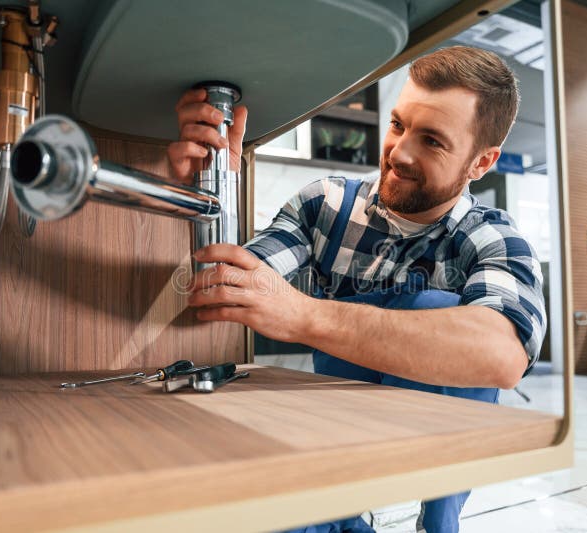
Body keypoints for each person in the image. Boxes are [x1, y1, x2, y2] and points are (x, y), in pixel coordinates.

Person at [168, 45, 546, 533]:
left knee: (440, 308)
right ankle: (341, 515)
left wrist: (306, 316)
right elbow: (233, 283)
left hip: (439, 444)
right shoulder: (323, 206)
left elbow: (501, 355)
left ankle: (437, 519)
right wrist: (211, 187)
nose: (400, 153)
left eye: (432, 141)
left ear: (481, 162)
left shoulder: (493, 237)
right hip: (333, 430)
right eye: (398, 125)